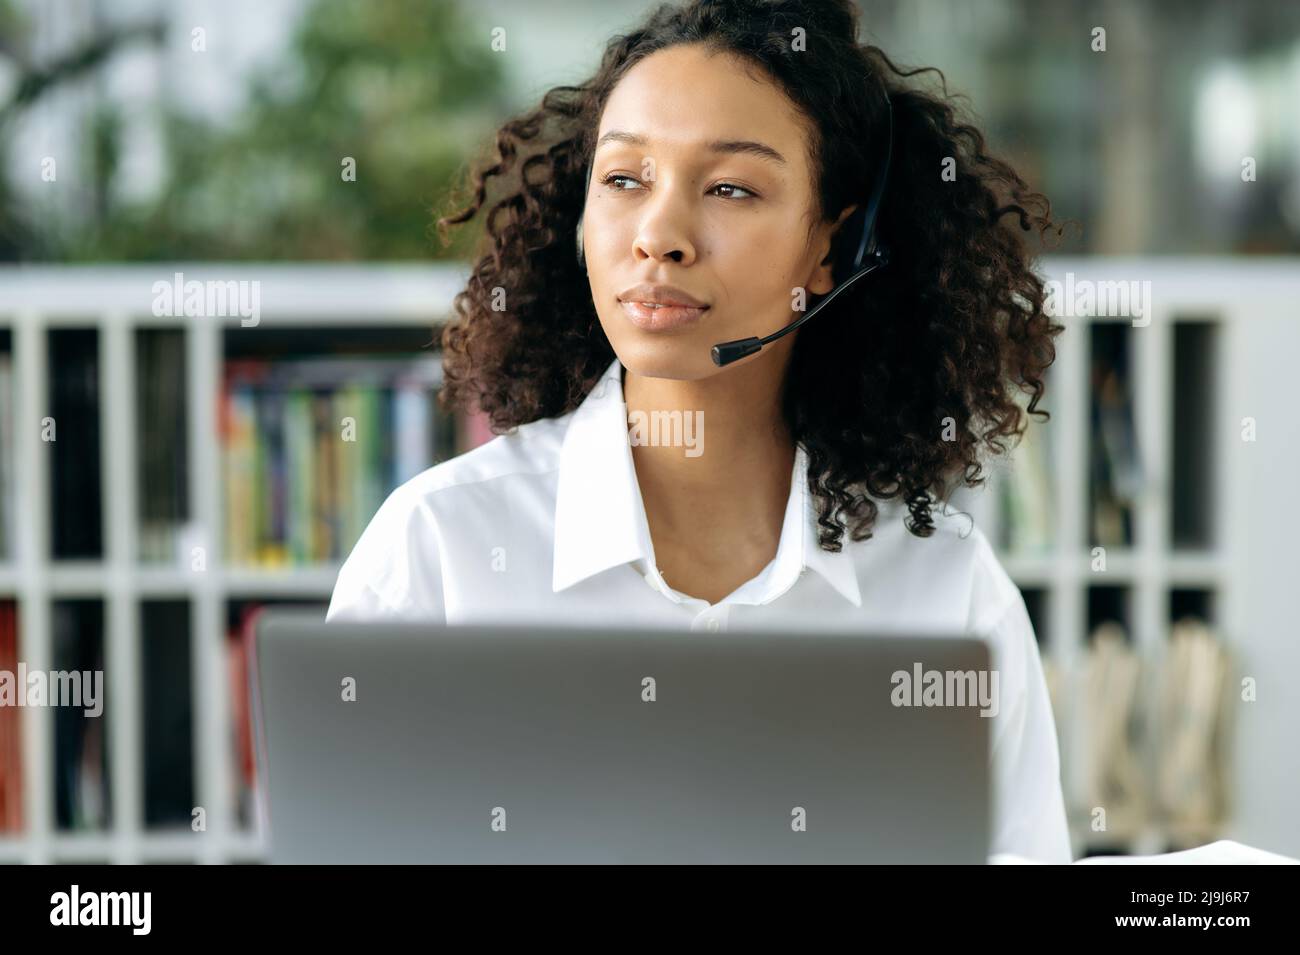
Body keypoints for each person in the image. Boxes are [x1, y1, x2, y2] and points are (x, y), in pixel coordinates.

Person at [327, 0, 1071, 863]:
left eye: (730, 189)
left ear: (832, 247)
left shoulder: (949, 589)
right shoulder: (440, 548)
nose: (660, 237)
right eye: (624, 179)